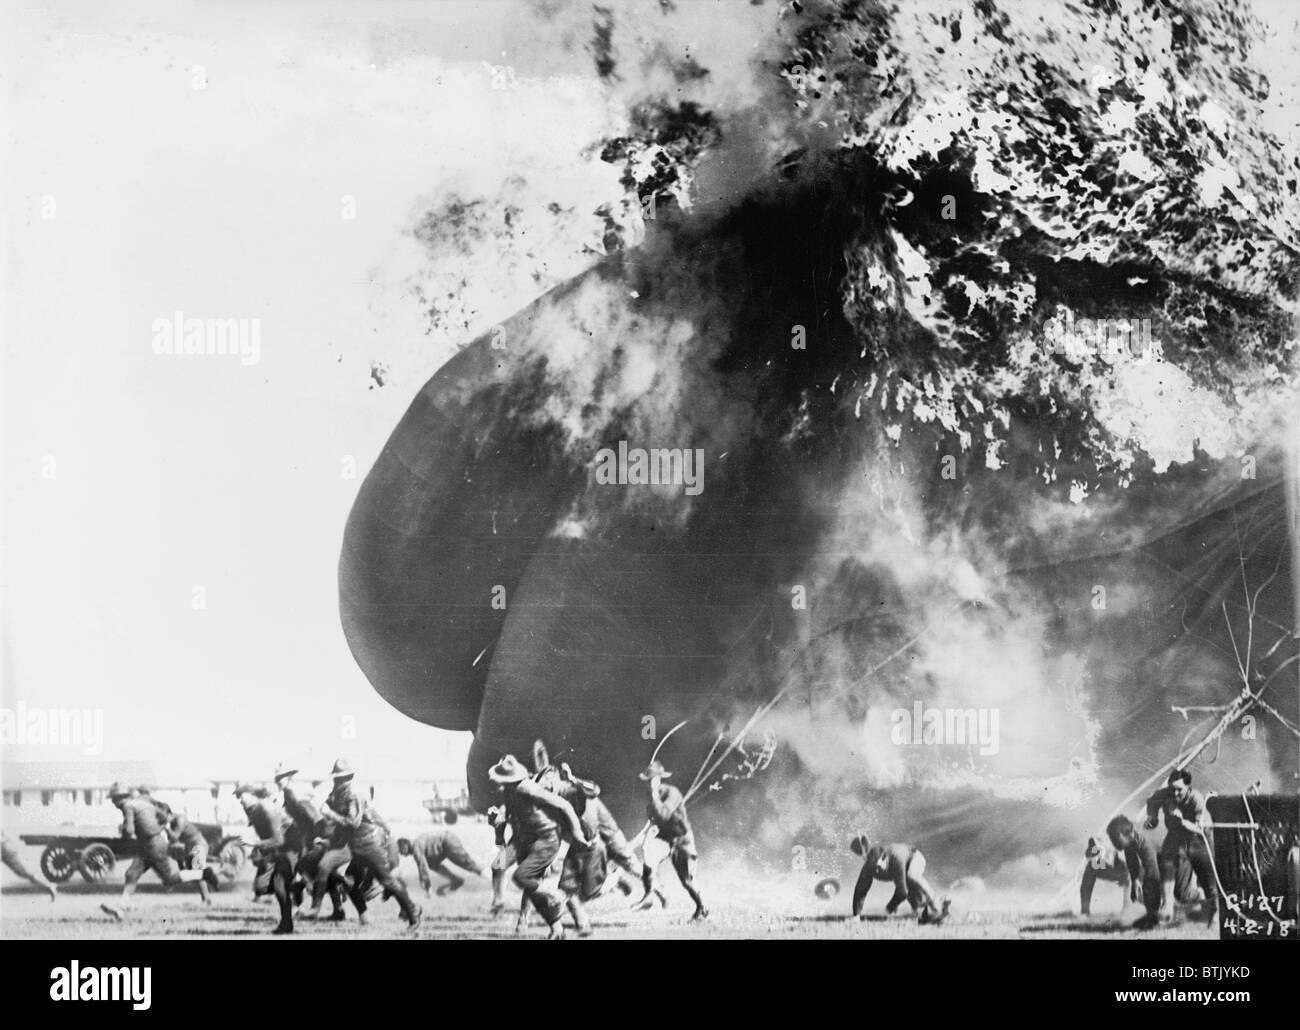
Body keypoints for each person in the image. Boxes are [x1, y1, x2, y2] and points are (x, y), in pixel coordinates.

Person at [489, 753, 592, 939]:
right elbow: (504, 818)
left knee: (525, 879)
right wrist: (496, 820)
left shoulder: (530, 789)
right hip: (521, 839)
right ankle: (499, 903)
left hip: (545, 839)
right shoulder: (508, 791)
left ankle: (554, 904)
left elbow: (565, 806)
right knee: (498, 866)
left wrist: (577, 833)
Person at [318, 758, 421, 930]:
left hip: (370, 846)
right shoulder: (340, 795)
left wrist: (330, 813)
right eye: (336, 778)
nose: (336, 781)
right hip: (358, 849)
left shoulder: (353, 795)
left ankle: (413, 913)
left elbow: (352, 823)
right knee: (350, 883)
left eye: (339, 778)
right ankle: (365, 918)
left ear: (347, 778)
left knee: (388, 881)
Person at [101, 782, 216, 920]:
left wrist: (125, 830)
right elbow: (163, 817)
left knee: (170, 879)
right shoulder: (144, 804)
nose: (113, 803)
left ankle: (203, 874)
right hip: (149, 844)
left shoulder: (128, 806)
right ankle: (121, 906)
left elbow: (129, 830)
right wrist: (157, 828)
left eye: (113, 799)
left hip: (153, 845)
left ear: (119, 797)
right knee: (132, 874)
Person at [273, 764, 350, 921]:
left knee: (306, 869)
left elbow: (315, 819)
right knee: (322, 875)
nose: (279, 782)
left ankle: (344, 887)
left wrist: (319, 839)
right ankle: (338, 908)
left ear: (288, 779)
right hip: (312, 841)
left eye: (282, 779)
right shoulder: (289, 800)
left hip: (319, 841)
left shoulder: (296, 799)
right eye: (278, 779)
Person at [1144, 769, 1216, 924]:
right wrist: (1153, 817)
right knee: (1168, 863)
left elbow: (1199, 829)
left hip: (1199, 839)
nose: (1175, 794)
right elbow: (1151, 803)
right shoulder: (1164, 794)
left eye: (1179, 790)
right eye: (1172, 789)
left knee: (1204, 881)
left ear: (1188, 788)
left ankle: (1210, 905)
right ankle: (1167, 905)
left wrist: (1182, 820)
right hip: (1176, 837)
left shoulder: (1197, 798)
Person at [641, 760, 707, 921]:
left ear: (658, 780)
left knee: (687, 881)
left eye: (652, 780)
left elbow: (664, 814)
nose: (649, 783)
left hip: (683, 841)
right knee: (648, 863)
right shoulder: (651, 798)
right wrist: (650, 833)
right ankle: (652, 895)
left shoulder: (672, 793)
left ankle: (702, 908)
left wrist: (655, 794)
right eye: (647, 780)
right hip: (665, 840)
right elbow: (654, 820)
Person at [237, 783, 298, 933]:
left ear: (253, 796)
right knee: (265, 886)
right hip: (279, 849)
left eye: (242, 796)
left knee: (279, 885)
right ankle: (297, 889)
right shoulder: (253, 810)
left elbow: (278, 840)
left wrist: (255, 844)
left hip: (293, 847)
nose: (240, 800)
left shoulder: (267, 810)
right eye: (238, 797)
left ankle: (286, 924)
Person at [849, 834, 947, 923]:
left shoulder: (896, 859)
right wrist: (856, 916)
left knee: (911, 876)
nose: (879, 869)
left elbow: (902, 891)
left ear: (884, 857)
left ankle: (936, 901)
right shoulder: (868, 868)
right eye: (875, 868)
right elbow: (860, 891)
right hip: (901, 868)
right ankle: (926, 909)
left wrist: (889, 908)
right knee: (917, 906)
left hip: (914, 857)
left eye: (879, 865)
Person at [1106, 814, 1165, 929]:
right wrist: (1135, 880)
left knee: (1151, 882)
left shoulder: (1142, 839)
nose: (1113, 843)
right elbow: (1131, 858)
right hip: (1162, 854)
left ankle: (1154, 918)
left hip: (1176, 853)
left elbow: (1153, 873)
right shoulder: (1130, 836)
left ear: (1121, 835)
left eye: (1115, 839)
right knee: (1144, 883)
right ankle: (1152, 915)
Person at [398, 829, 485, 896]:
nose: (402, 854)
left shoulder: (416, 847)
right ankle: (455, 880)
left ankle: (492, 876)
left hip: (447, 841)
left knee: (468, 864)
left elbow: (422, 867)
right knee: (432, 864)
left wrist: (427, 887)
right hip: (444, 844)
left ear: (406, 844)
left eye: (401, 850)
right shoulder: (417, 845)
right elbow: (424, 865)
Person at [1080, 834, 1129, 916]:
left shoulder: (1110, 848)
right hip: (1105, 866)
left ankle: (1128, 908)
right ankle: (1085, 912)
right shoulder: (1095, 850)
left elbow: (1116, 861)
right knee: (1088, 875)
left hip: (1119, 869)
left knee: (1128, 880)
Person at [1, 830, 57, 900]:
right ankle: (49, 885)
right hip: (6, 844)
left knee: (25, 873)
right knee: (25, 873)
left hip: (4, 846)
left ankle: (49, 886)